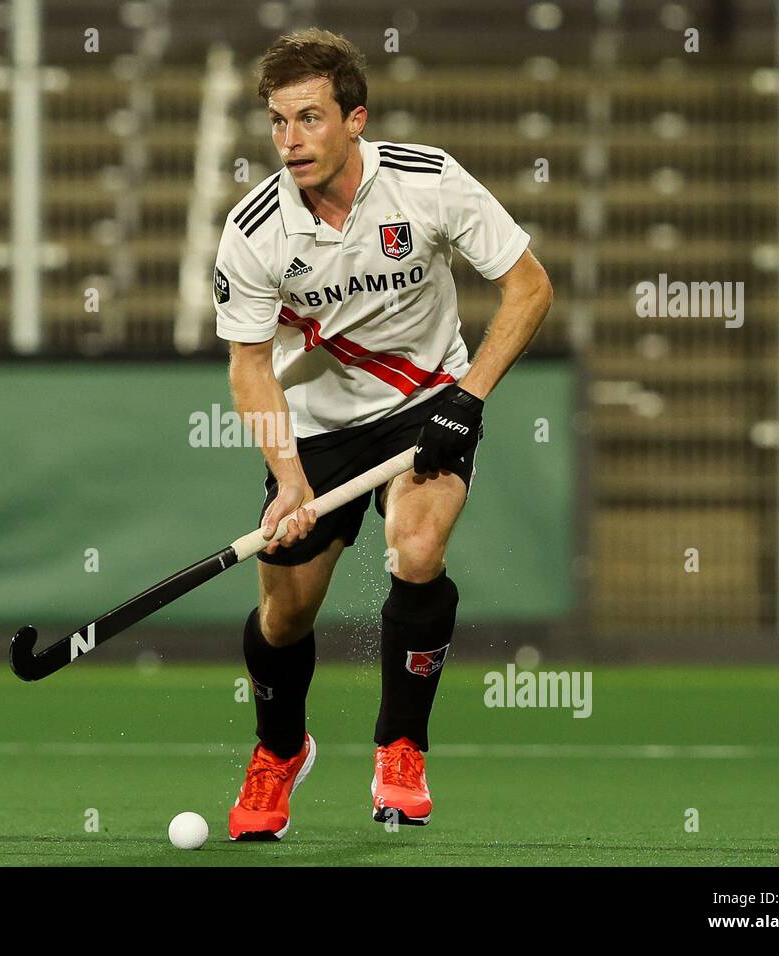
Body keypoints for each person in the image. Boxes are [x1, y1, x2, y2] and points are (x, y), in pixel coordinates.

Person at [212, 28, 553, 840]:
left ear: (355, 118)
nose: (290, 140)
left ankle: (401, 746)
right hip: (318, 428)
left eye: (309, 118)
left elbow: (530, 289)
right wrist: (289, 478)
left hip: (427, 402)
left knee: (418, 546)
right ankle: (280, 750)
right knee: (285, 614)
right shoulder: (254, 231)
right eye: (277, 122)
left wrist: (467, 398)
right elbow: (251, 368)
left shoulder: (428, 182)